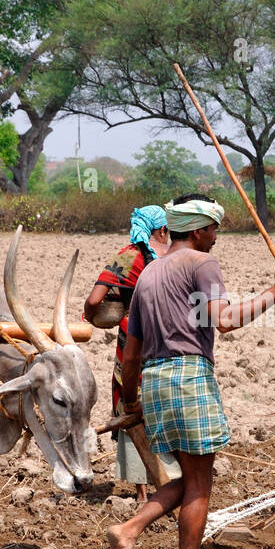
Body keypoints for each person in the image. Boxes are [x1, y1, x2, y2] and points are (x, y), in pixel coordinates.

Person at [106, 194, 275, 549]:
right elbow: (223, 320)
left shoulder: (148, 275)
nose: (216, 238)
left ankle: (128, 531)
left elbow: (131, 354)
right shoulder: (202, 263)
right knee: (199, 485)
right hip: (189, 376)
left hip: (155, 381)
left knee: (187, 479)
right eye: (213, 229)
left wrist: (130, 400)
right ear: (197, 231)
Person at [83, 206, 170, 503]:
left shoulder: (129, 256)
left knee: (132, 405)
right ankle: (171, 482)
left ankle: (142, 491)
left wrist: (93, 314)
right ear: (162, 230)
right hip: (170, 339)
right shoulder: (175, 255)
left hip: (135, 338)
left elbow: (94, 300)